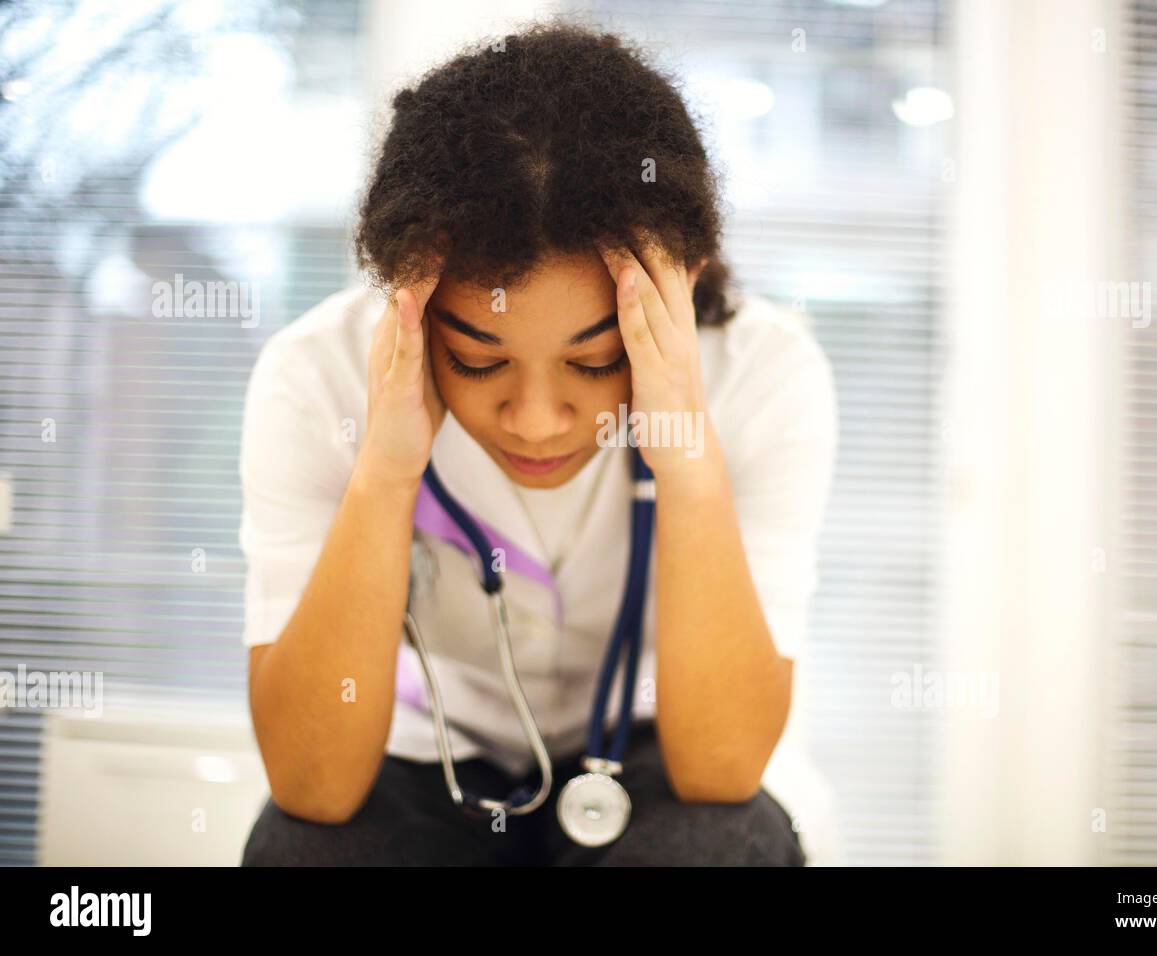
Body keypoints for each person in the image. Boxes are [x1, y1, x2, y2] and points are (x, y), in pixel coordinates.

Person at [237, 20, 837, 866]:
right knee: (304, 849)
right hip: (426, 766)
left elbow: (723, 769)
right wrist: (385, 470)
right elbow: (310, 782)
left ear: (681, 279)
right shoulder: (315, 379)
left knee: (729, 842)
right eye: (478, 361)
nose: (537, 419)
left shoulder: (765, 376)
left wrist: (686, 457)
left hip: (642, 760)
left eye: (594, 360)